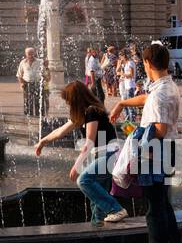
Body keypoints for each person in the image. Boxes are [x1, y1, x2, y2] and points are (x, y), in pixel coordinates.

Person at [111, 42, 182, 243]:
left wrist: (141, 145)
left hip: (157, 152)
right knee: (164, 204)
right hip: (170, 148)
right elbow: (146, 99)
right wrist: (122, 102)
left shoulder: (160, 95)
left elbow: (160, 128)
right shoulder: (167, 85)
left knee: (153, 207)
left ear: (147, 63)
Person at [35, 81, 128, 225]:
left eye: (68, 100)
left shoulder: (92, 111)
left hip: (109, 155)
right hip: (102, 156)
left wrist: (76, 166)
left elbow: (89, 143)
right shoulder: (84, 114)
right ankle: (98, 230)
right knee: (97, 203)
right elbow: (60, 131)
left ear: (75, 99)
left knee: (84, 180)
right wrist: (43, 141)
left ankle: (116, 209)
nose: (67, 104)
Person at [16, 47, 42, 118]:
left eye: (32, 53)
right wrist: (21, 83)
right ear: (26, 54)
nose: (31, 55)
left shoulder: (40, 62)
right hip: (27, 83)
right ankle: (27, 116)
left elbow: (45, 71)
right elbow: (19, 74)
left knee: (37, 100)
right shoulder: (23, 62)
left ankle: (37, 116)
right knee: (27, 101)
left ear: (35, 53)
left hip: (37, 83)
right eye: (29, 54)